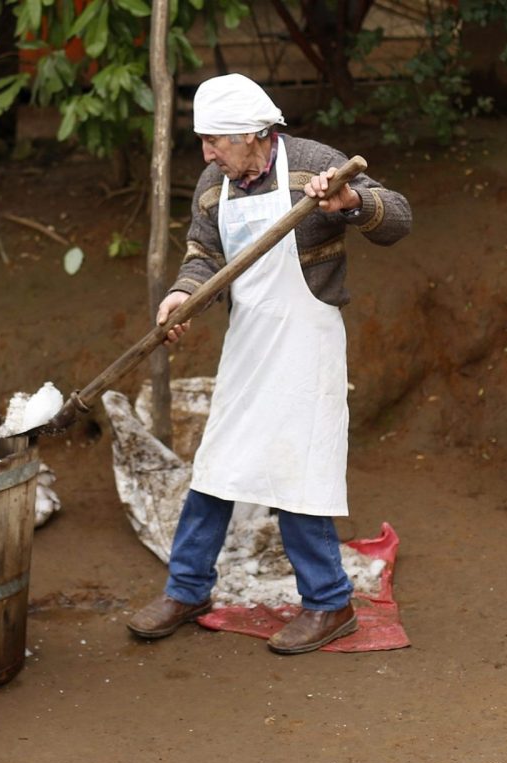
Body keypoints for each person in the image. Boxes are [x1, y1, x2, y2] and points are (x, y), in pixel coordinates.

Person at [127, 73, 412, 654]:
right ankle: (187, 589)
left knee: (297, 469)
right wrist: (185, 295)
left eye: (216, 141)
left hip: (308, 340)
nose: (206, 154)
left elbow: (399, 219)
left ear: (257, 134)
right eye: (204, 141)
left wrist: (353, 202)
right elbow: (204, 254)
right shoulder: (215, 184)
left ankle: (330, 604)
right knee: (218, 464)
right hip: (249, 341)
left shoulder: (315, 166)